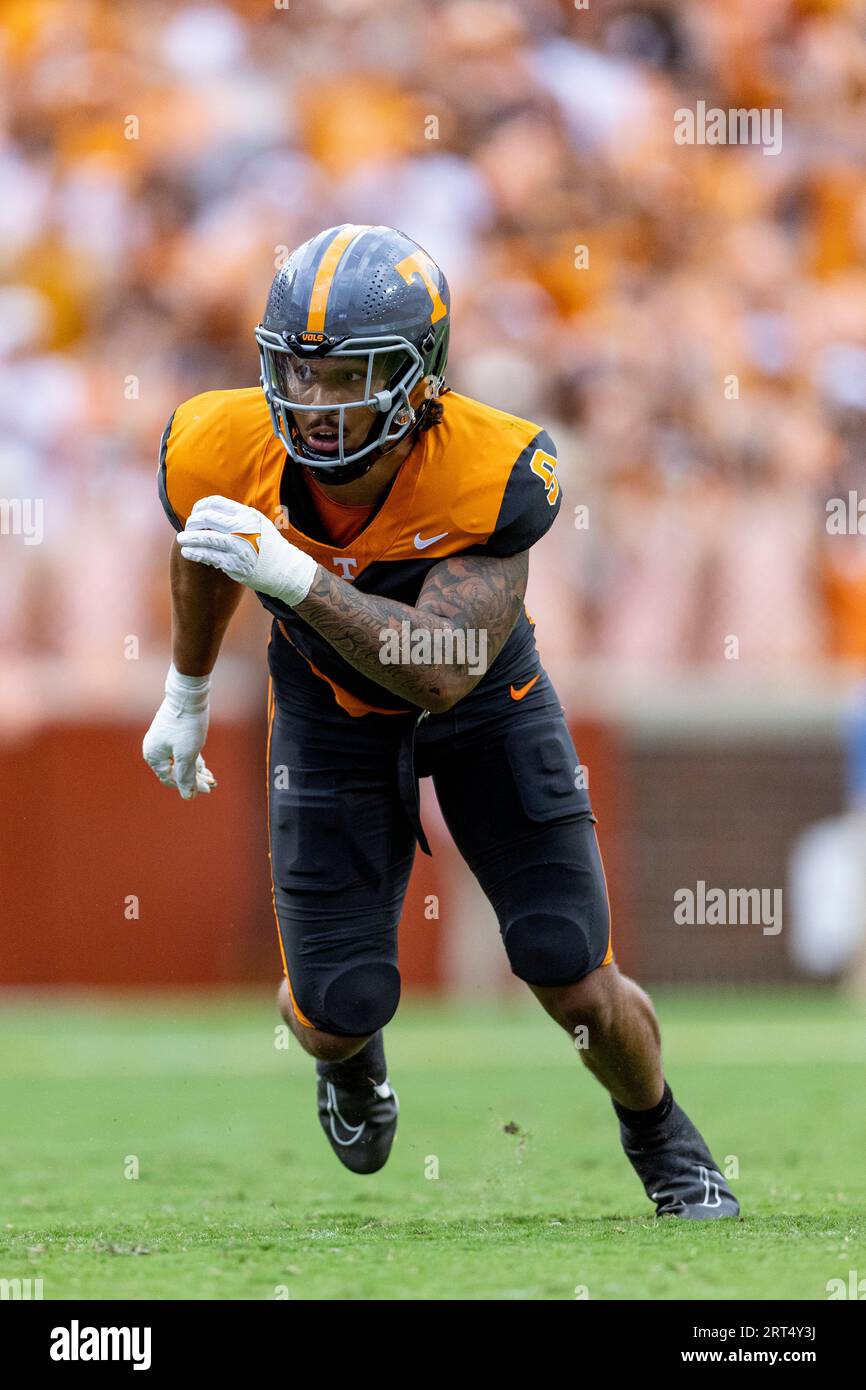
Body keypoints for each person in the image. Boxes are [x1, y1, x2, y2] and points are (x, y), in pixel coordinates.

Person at [143, 223, 738, 1216]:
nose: (317, 402)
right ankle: (348, 1064)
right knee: (335, 1008)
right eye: (299, 371)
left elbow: (440, 670)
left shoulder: (491, 467)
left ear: (418, 376)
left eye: (350, 377)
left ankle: (661, 1133)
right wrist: (187, 689)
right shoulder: (218, 439)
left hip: (483, 705)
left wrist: (294, 575)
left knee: (566, 966)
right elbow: (204, 545)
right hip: (329, 717)